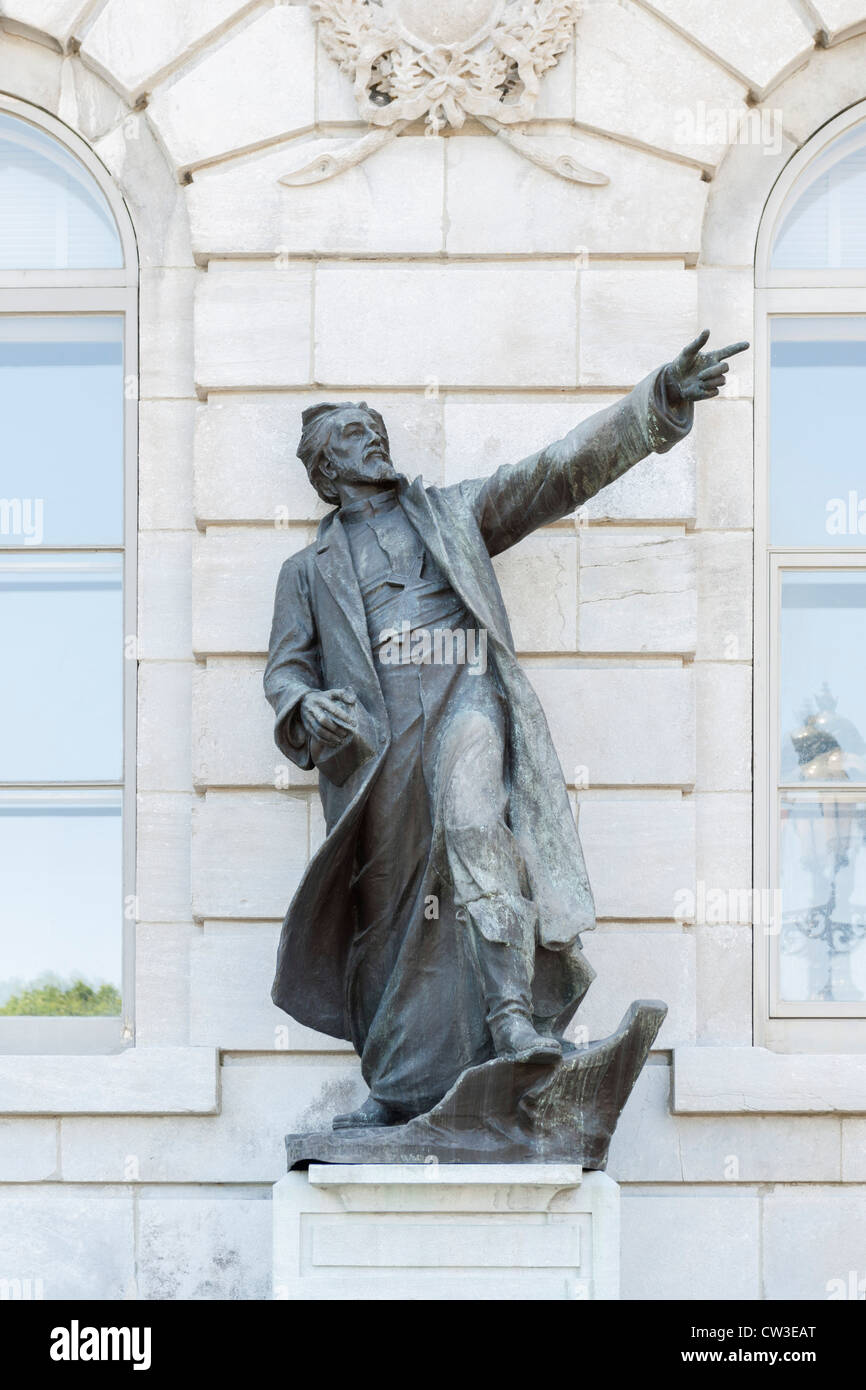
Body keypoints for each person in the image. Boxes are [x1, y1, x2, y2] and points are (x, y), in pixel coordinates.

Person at [264, 330, 748, 1127]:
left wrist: (652, 405)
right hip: (380, 758)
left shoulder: (455, 514)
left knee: (479, 828)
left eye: (374, 426)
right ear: (324, 471)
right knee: (390, 915)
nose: (372, 437)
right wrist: (302, 704)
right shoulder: (307, 573)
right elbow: (286, 668)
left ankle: (511, 1017)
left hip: (464, 708)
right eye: (352, 433)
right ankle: (402, 1085)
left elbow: (552, 473)